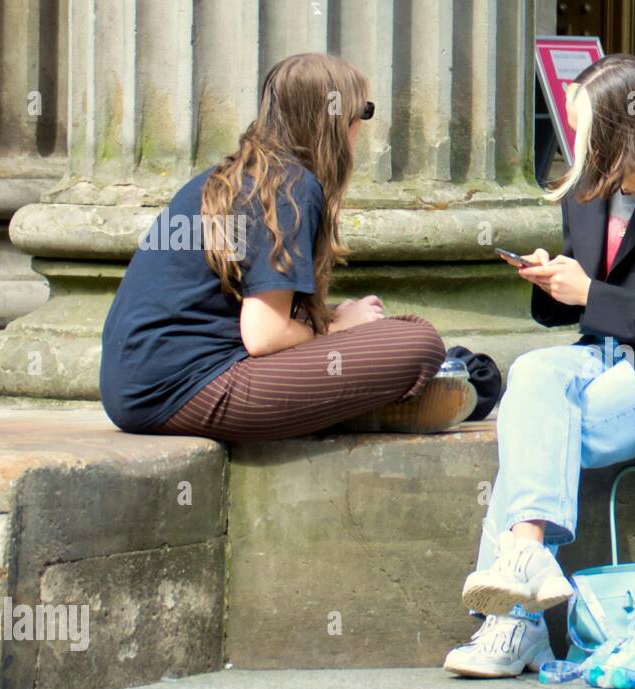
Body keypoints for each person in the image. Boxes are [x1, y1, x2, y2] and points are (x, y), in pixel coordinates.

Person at [443, 54, 635, 678]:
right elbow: (581, 305)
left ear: (621, 131)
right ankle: (529, 561)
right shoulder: (587, 193)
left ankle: (515, 622)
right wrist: (553, 280)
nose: (574, 139)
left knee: (537, 434)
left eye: (583, 127)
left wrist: (590, 293)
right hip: (599, 354)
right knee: (533, 373)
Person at [100, 52, 458, 440]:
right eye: (363, 111)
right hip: (186, 389)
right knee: (418, 340)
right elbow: (265, 336)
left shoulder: (236, 176)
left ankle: (385, 400)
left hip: (137, 390)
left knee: (390, 333)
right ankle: (380, 405)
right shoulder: (290, 187)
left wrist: (330, 321)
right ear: (335, 121)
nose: (362, 125)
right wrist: (336, 327)